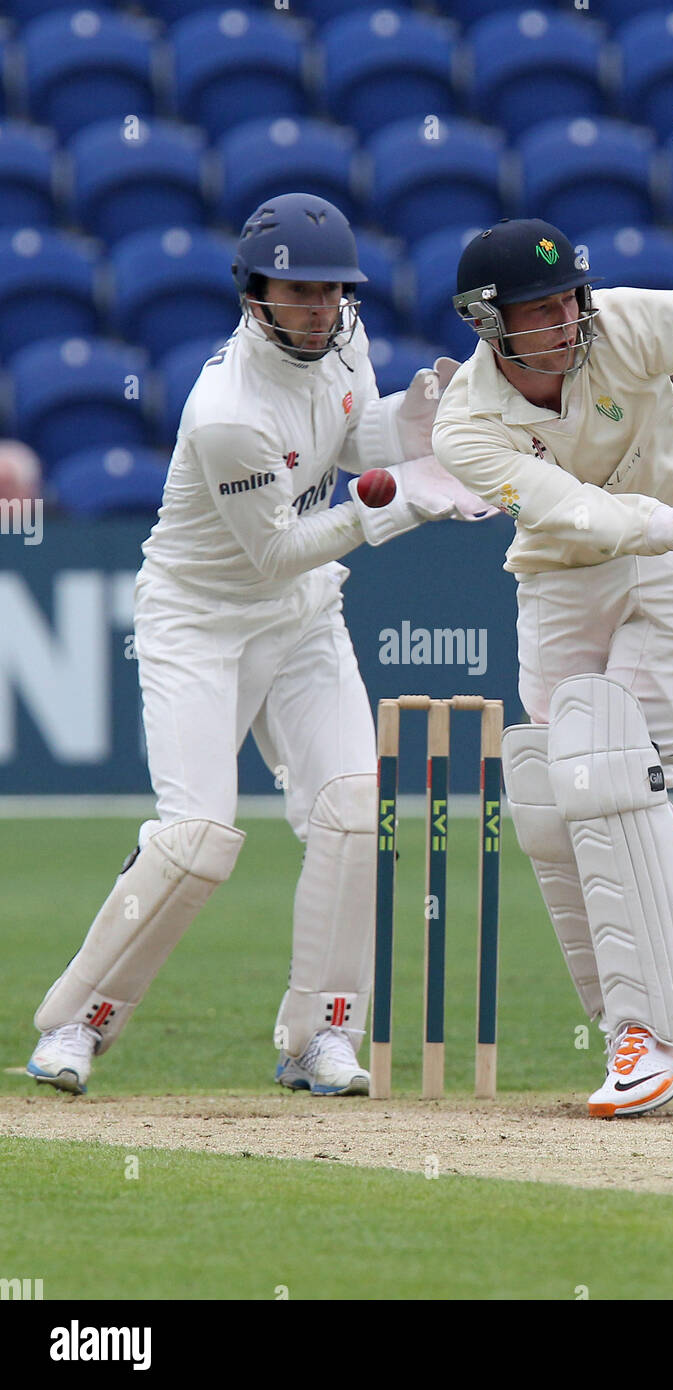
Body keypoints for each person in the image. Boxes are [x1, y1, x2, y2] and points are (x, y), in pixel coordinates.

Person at [26, 193, 492, 1098]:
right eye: (298, 292)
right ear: (255, 294)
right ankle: (76, 1022)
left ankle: (317, 1035)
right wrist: (390, 504)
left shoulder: (344, 341)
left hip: (304, 614)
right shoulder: (226, 410)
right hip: (199, 620)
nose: (319, 310)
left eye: (332, 292)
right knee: (196, 838)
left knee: (358, 809)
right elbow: (276, 545)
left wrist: (425, 422)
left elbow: (354, 436)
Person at [432, 218, 673, 1118]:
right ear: (489, 324)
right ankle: (660, 1023)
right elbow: (570, 510)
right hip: (570, 573)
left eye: (569, 295)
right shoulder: (465, 424)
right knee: (545, 795)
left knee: (608, 766)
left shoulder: (622, 322)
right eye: (539, 309)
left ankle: (643, 1035)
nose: (568, 318)